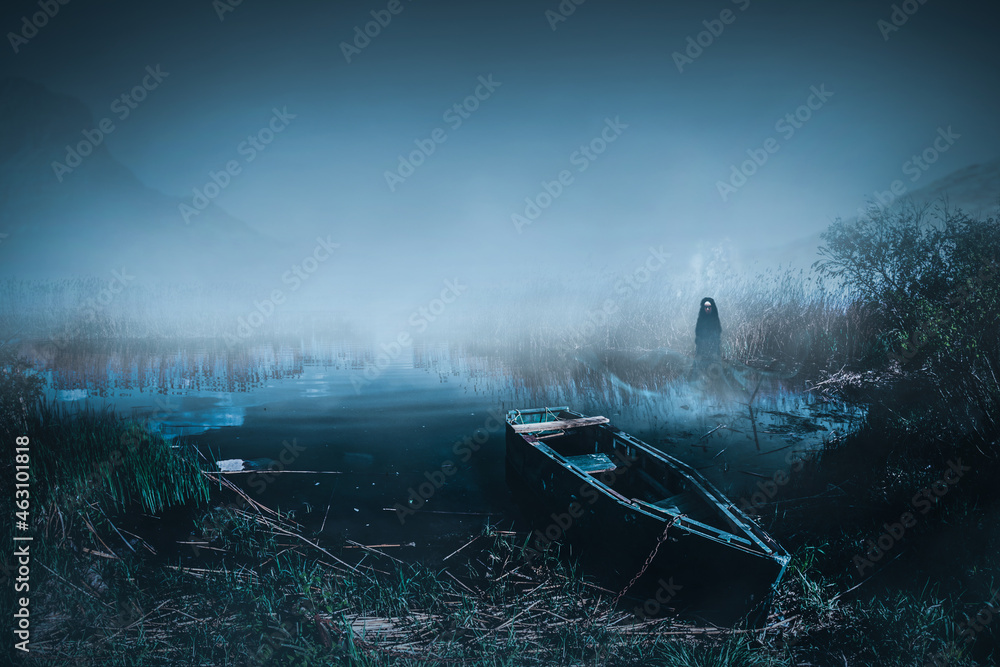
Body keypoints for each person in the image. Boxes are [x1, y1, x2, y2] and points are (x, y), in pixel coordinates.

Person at [694, 297, 722, 372]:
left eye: (709, 307)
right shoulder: (701, 319)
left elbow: (718, 333)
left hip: (713, 347)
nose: (707, 309)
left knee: (715, 367)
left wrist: (715, 351)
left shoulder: (715, 319)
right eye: (705, 307)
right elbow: (698, 333)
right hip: (702, 347)